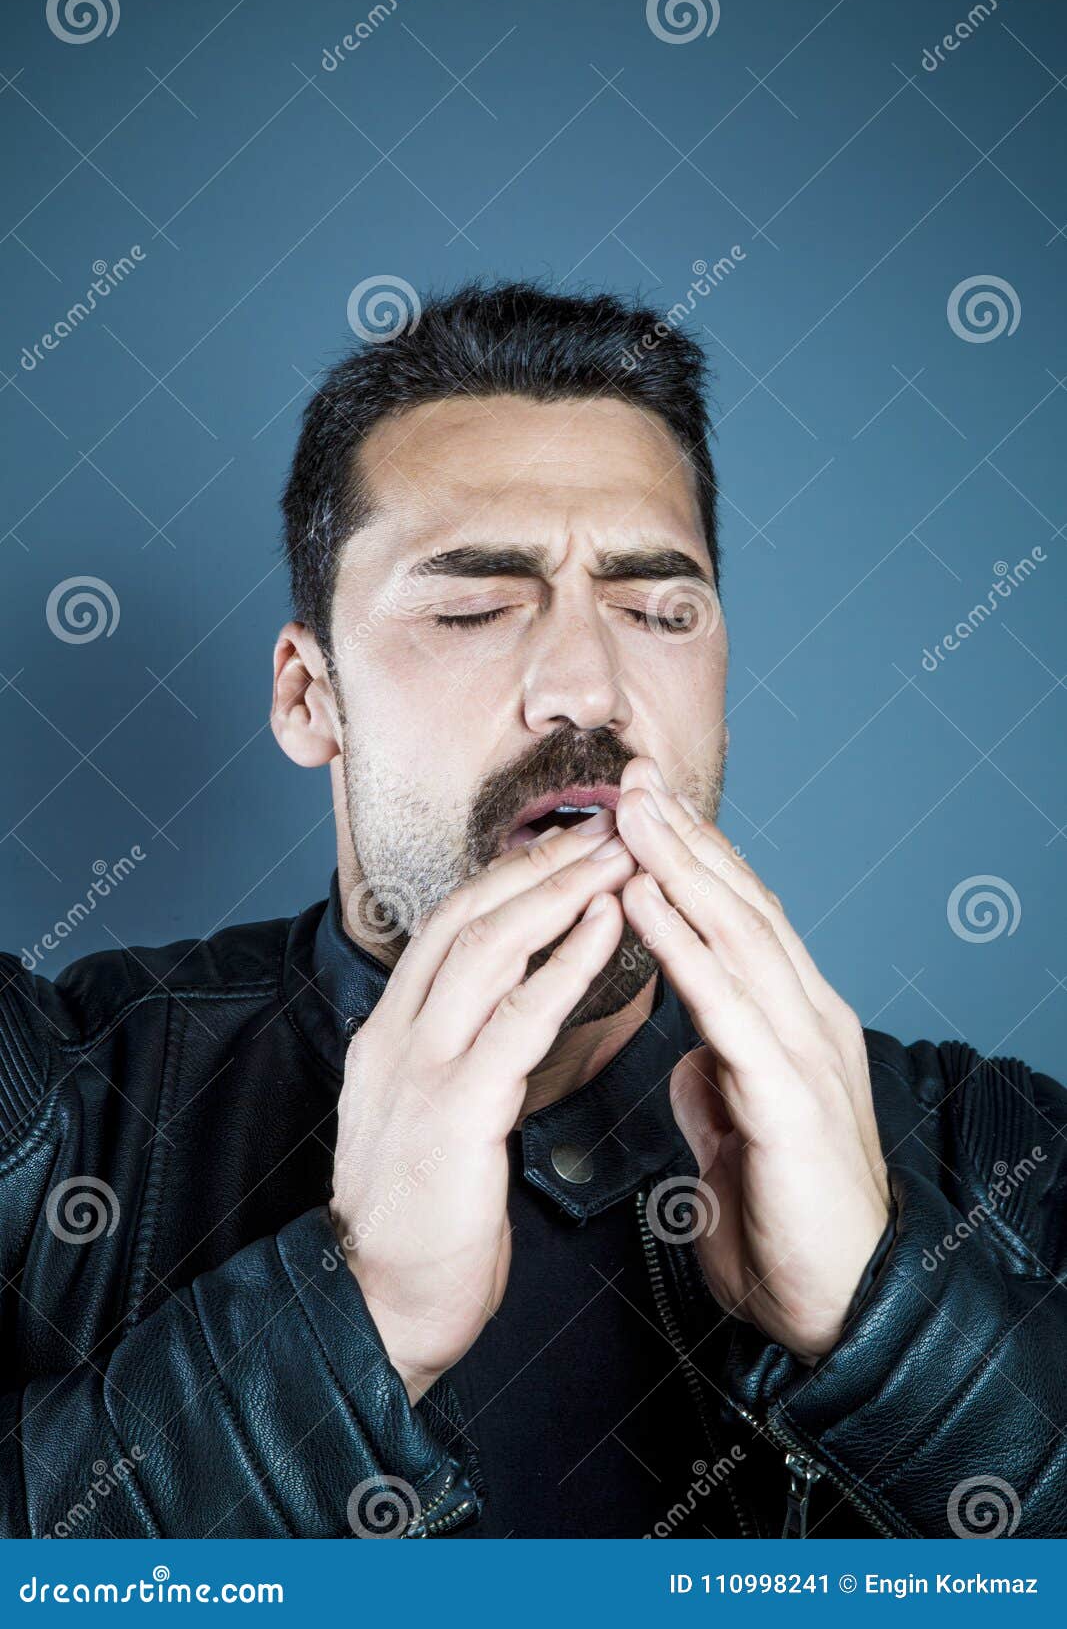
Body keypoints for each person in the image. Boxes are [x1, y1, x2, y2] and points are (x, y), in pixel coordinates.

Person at [2, 283, 1063, 1540]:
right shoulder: (45, 1111)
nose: (586, 688)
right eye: (472, 606)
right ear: (310, 700)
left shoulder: (998, 1156)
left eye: (658, 610)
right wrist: (356, 1313)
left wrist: (892, 1329)